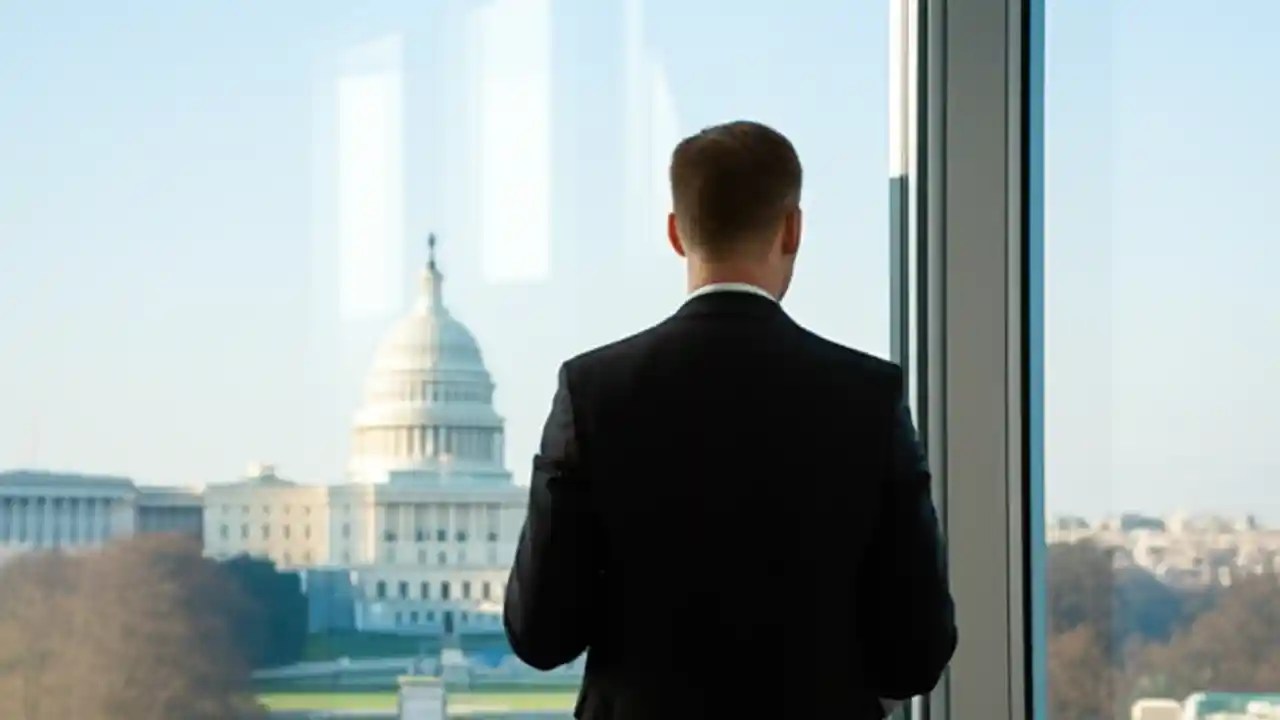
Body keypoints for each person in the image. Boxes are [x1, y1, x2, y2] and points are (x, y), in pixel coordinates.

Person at [503, 120, 956, 719]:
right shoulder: (870, 396)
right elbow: (915, 654)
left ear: (675, 233)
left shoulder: (593, 391)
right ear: (792, 229)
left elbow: (540, 635)